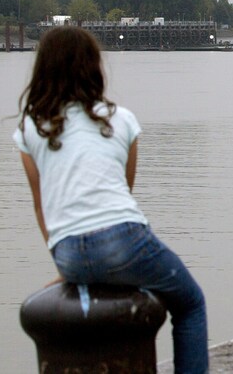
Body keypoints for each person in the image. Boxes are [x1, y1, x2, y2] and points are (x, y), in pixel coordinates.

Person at [14, 26, 208, 373]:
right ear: (94, 67)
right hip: (125, 241)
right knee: (191, 303)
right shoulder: (122, 120)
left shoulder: (32, 127)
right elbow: (123, 193)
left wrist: (66, 266)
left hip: (69, 252)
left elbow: (42, 205)